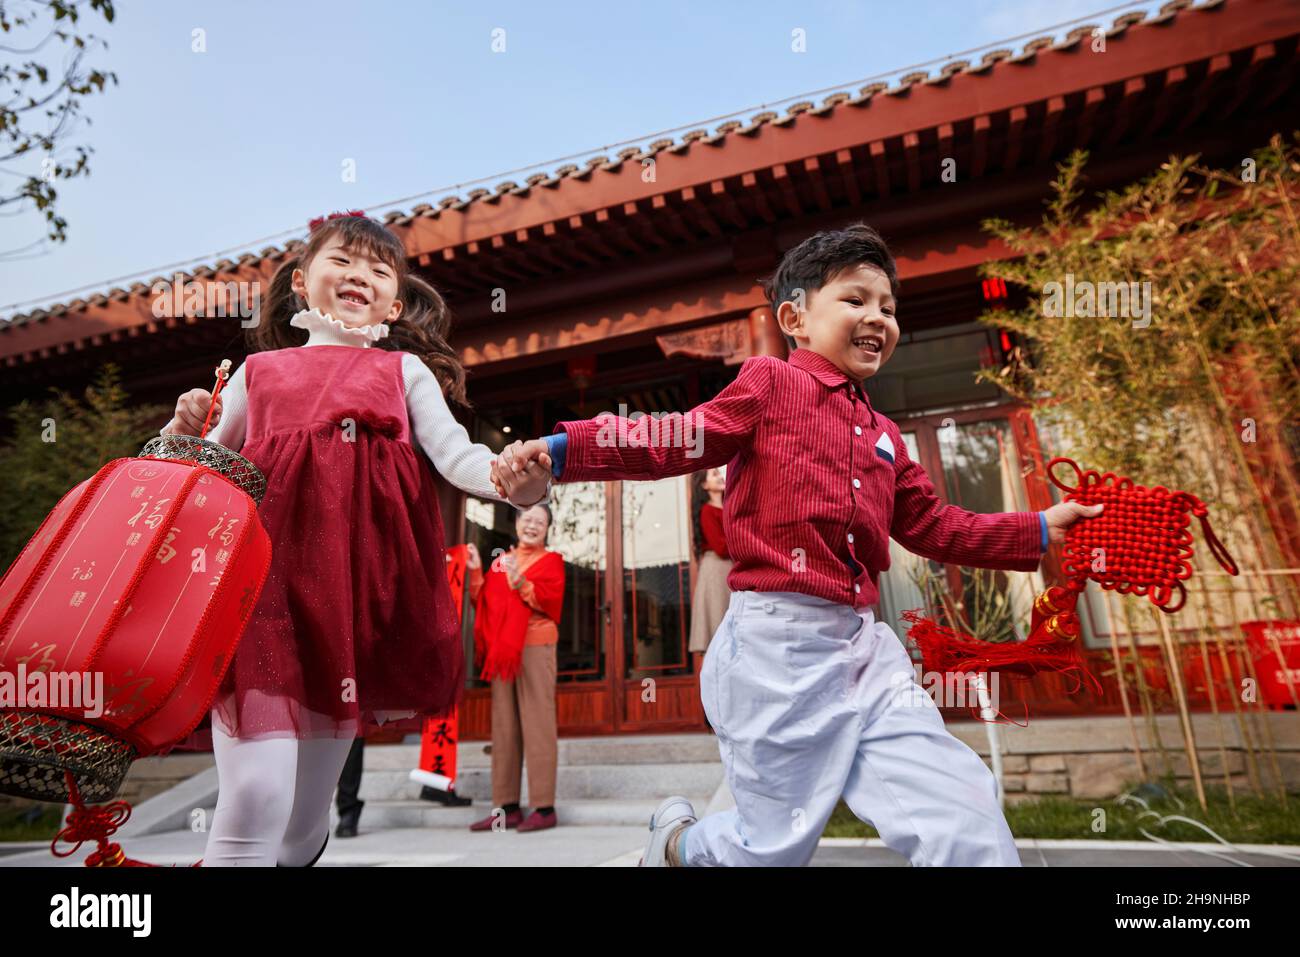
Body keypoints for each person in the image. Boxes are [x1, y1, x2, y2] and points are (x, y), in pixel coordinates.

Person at [491, 222, 1102, 867]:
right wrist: (562, 453)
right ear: (795, 318)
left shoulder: (886, 436)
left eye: (889, 308)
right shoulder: (768, 384)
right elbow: (673, 437)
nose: (878, 318)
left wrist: (1038, 528)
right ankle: (677, 845)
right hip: (775, 649)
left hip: (866, 649)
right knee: (770, 852)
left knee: (964, 817)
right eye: (856, 300)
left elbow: (934, 525)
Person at [162, 213, 552, 866]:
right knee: (256, 792)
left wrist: (520, 484)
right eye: (342, 261)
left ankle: (301, 849)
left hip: (351, 609)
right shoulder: (258, 375)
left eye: (378, 269)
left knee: (299, 822)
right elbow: (198, 478)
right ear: (300, 281)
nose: (358, 276)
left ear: (395, 302)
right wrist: (183, 433)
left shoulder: (404, 374)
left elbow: (459, 459)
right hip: (258, 598)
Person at [465, 505, 565, 832]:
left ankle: (544, 806)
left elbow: (549, 601)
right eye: (528, 519)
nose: (533, 525)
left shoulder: (552, 562)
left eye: (540, 521)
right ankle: (506, 807)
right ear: (517, 523)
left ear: (547, 529)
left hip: (536, 645)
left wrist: (520, 582)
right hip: (503, 653)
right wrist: (478, 573)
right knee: (504, 727)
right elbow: (486, 605)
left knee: (538, 723)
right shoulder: (500, 561)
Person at [688, 468, 731, 655]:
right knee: (718, 624)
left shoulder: (729, 507)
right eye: (714, 474)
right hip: (717, 570)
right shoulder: (707, 511)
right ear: (704, 485)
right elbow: (721, 548)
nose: (721, 476)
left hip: (728, 568)